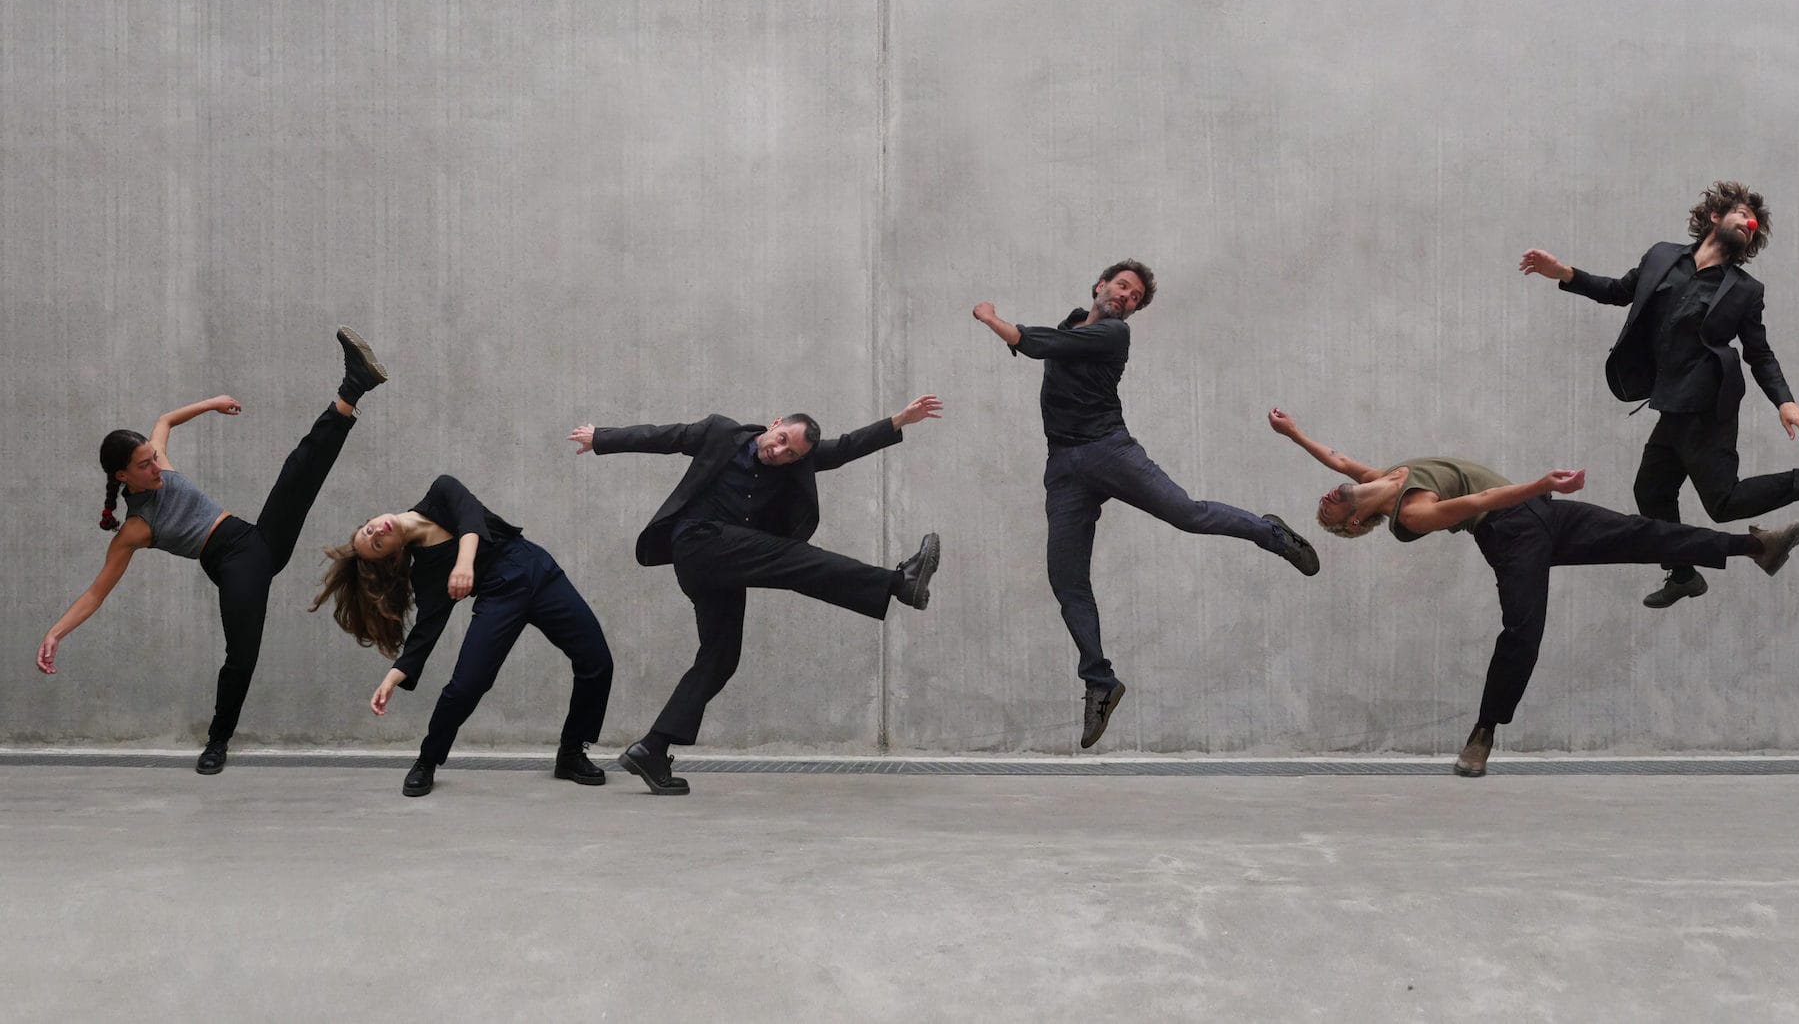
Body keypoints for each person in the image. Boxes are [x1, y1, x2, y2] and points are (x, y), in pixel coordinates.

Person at [1267, 407, 1799, 777]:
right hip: (1511, 530)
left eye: (1322, 504)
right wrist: (1542, 484)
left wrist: (1293, 433)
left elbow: (1337, 459)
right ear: (1358, 523)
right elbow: (1480, 505)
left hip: (1541, 514)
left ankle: (1755, 547)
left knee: (1644, 533)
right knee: (1523, 630)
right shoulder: (1412, 512)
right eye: (1328, 513)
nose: (1323, 501)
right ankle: (1484, 733)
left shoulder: (1386, 474)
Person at [972, 260, 1320, 750]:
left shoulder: (1113, 335)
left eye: (1135, 296)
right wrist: (1014, 333)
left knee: (1188, 514)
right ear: (1099, 285)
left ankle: (1272, 533)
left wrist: (992, 318)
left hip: (1110, 451)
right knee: (1065, 579)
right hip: (1064, 467)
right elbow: (1051, 341)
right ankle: (1100, 680)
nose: (1126, 297)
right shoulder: (1073, 321)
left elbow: (1040, 345)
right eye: (1121, 287)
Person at [37, 327, 387, 774]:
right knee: (242, 656)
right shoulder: (135, 530)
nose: (156, 465)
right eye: (145, 465)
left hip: (255, 540)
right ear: (123, 477)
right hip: (233, 564)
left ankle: (353, 387)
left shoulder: (155, 460)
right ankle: (217, 741)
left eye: (153, 456)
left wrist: (212, 403)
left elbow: (163, 420)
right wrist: (56, 633)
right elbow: (96, 593)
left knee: (299, 469)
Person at [569, 397, 943, 796]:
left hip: (728, 567)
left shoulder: (796, 464)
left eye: (791, 452)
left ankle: (652, 749)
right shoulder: (720, 433)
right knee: (795, 559)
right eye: (780, 439)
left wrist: (899, 420)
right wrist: (601, 438)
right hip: (698, 543)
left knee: (721, 657)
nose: (779, 452)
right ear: (775, 422)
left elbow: (846, 447)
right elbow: (666, 436)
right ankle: (899, 583)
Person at [1521, 181, 1799, 608]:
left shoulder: (1744, 289)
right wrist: (1564, 274)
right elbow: (1618, 292)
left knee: (1723, 502)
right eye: (1740, 213)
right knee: (1651, 492)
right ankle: (1682, 575)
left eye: (1753, 225)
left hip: (1707, 403)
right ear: (1715, 217)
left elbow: (1759, 352)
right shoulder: (1662, 257)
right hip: (1670, 402)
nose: (1748, 223)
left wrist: (1785, 402)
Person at [313, 475, 615, 798]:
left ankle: (571, 753)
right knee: (466, 686)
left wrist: (464, 562)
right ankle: (427, 761)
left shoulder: (440, 490)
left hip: (535, 568)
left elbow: (470, 515)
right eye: (375, 544)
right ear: (392, 554)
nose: (377, 533)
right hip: (500, 597)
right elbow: (426, 629)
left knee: (597, 662)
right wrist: (391, 679)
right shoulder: (427, 571)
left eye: (369, 529)